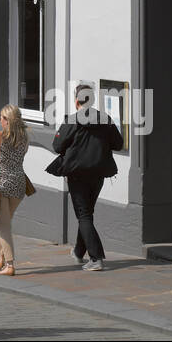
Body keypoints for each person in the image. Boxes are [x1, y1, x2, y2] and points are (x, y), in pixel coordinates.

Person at [47, 83, 123, 271]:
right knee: (87, 213)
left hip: (77, 174)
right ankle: (79, 252)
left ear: (76, 101)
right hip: (98, 173)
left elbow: (57, 146)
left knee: (84, 214)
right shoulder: (105, 119)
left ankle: (96, 258)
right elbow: (118, 144)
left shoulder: (72, 121)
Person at [0, 103, 29, 276]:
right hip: (19, 184)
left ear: (7, 120)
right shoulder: (25, 138)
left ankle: (10, 265)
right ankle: (1, 257)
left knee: (4, 226)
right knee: (6, 222)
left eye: (1, 118)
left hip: (1, 184)